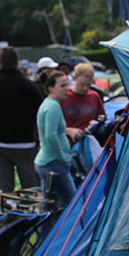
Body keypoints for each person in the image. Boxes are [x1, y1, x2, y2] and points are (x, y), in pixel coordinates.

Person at [0, 46, 45, 194]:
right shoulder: (29, 86)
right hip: (25, 144)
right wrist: (36, 138)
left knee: (4, 189)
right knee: (31, 187)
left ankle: (6, 214)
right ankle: (31, 214)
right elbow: (40, 114)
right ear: (17, 64)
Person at [35, 71, 83, 208]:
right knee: (71, 204)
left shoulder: (49, 103)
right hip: (53, 163)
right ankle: (70, 229)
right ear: (51, 88)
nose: (66, 88)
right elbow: (51, 135)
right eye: (62, 85)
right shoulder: (52, 106)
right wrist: (62, 157)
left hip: (47, 162)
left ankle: (47, 229)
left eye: (67, 84)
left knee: (50, 206)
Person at [61, 62, 105, 131]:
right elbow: (53, 127)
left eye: (88, 85)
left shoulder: (94, 96)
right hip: (68, 140)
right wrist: (69, 131)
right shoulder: (63, 96)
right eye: (82, 84)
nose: (85, 88)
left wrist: (97, 124)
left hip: (90, 139)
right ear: (75, 78)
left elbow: (103, 120)